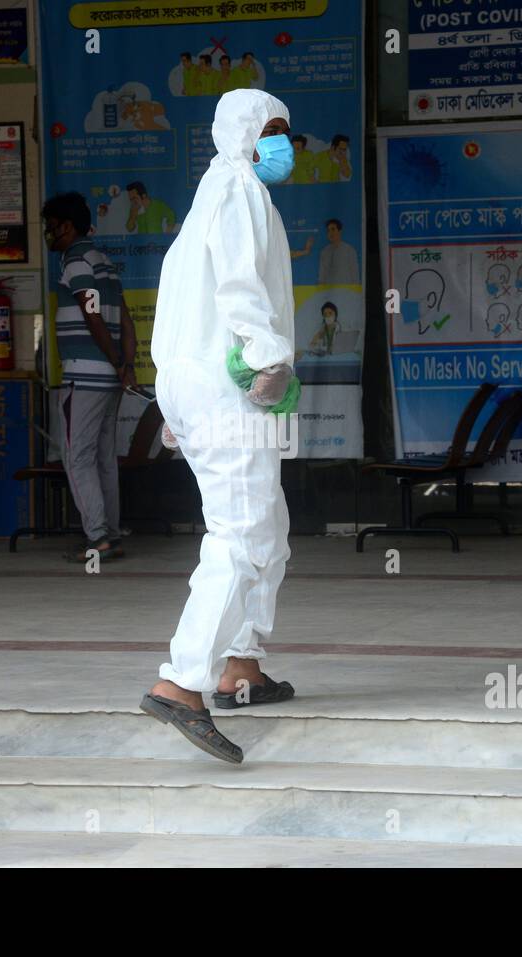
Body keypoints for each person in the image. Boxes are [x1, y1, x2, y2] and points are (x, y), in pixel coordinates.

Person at [143, 89, 300, 764]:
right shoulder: (238, 190)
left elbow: (179, 303)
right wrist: (268, 358)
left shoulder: (208, 198)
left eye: (285, 131)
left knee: (268, 525)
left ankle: (242, 661)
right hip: (230, 386)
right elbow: (240, 285)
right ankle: (184, 680)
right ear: (240, 132)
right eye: (271, 129)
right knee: (239, 533)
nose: (281, 143)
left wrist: (175, 406)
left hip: (194, 383)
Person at [44, 192, 138, 563]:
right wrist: (126, 367)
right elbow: (126, 319)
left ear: (67, 226)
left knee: (77, 457)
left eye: (51, 228)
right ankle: (110, 534)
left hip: (84, 378)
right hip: (110, 379)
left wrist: (116, 361)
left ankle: (98, 538)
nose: (49, 236)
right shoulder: (105, 263)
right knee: (103, 459)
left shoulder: (76, 261)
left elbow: (91, 313)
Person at [318, 218, 359, 285]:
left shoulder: (350, 251)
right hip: (329, 292)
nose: (330, 233)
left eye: (333, 229)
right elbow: (321, 277)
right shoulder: (324, 252)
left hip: (345, 292)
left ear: (340, 231)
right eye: (328, 231)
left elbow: (355, 276)